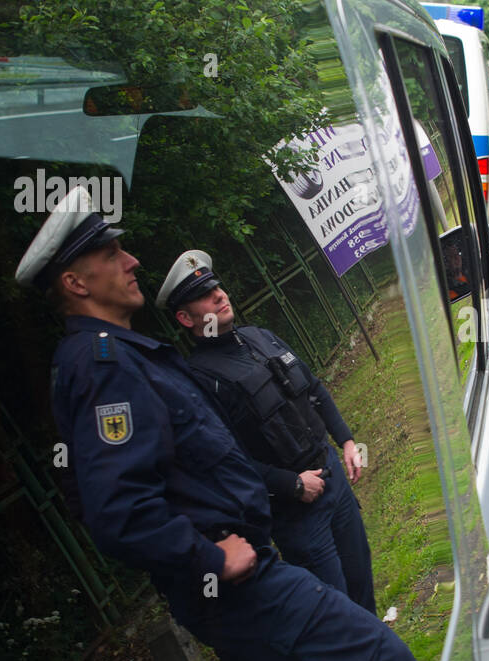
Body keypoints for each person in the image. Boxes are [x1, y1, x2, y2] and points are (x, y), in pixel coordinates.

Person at [17, 188, 435, 661]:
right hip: (238, 582)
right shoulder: (102, 367)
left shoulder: (124, 355)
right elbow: (113, 507)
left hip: (235, 574)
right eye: (113, 253)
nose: (132, 260)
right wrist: (207, 557)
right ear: (76, 282)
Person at [157, 250, 376, 615]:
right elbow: (226, 460)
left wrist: (348, 441)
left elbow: (314, 390)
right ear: (184, 317)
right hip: (297, 512)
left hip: (332, 477)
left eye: (217, 286)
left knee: (360, 579)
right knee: (335, 608)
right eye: (204, 295)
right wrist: (290, 485)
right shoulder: (199, 380)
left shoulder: (259, 337)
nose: (219, 295)